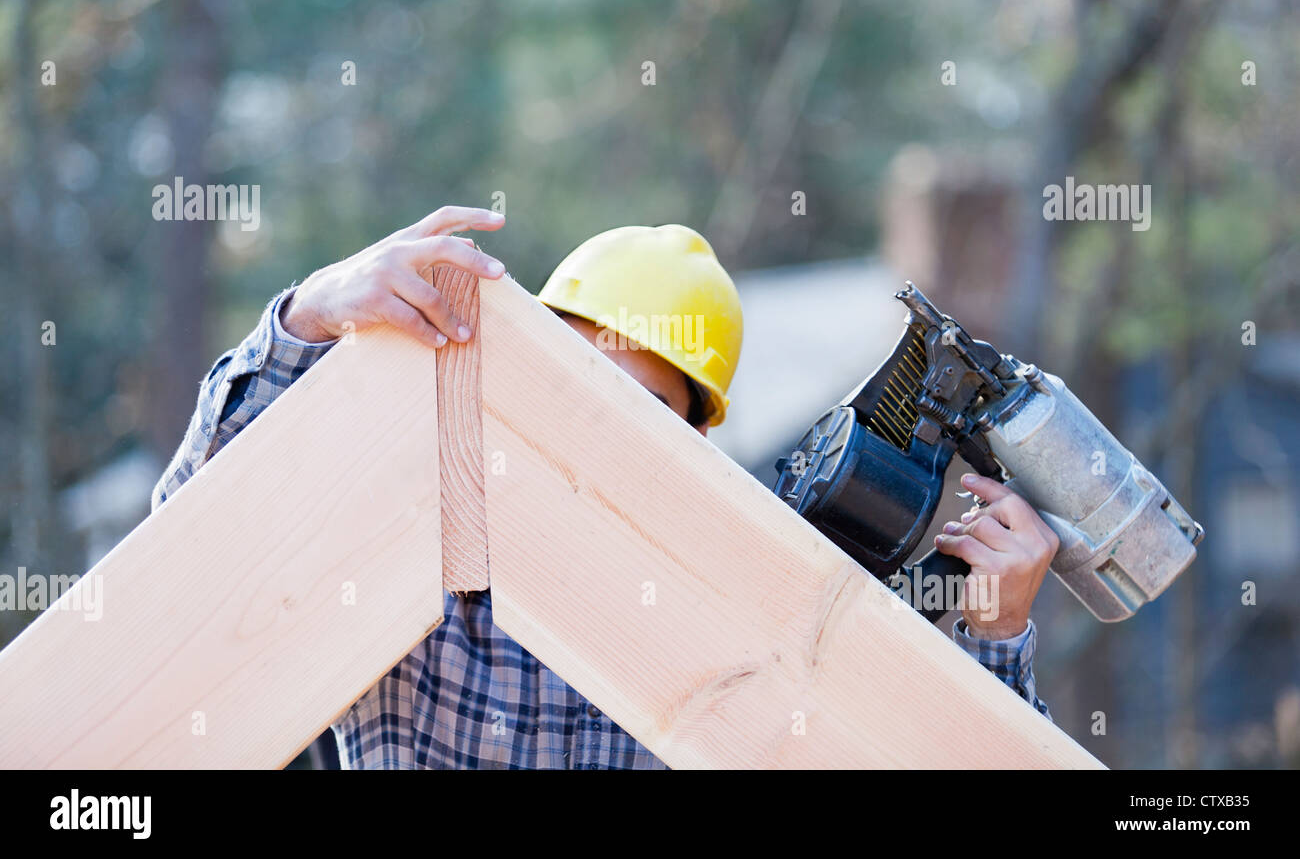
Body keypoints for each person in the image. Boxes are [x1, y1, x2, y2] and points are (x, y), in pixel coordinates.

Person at [153, 206, 1060, 769]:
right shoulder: (419, 566)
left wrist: (997, 629)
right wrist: (308, 316)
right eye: (569, 384)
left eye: (634, 413)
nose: (588, 436)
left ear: (691, 444)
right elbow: (189, 560)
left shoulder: (736, 628)